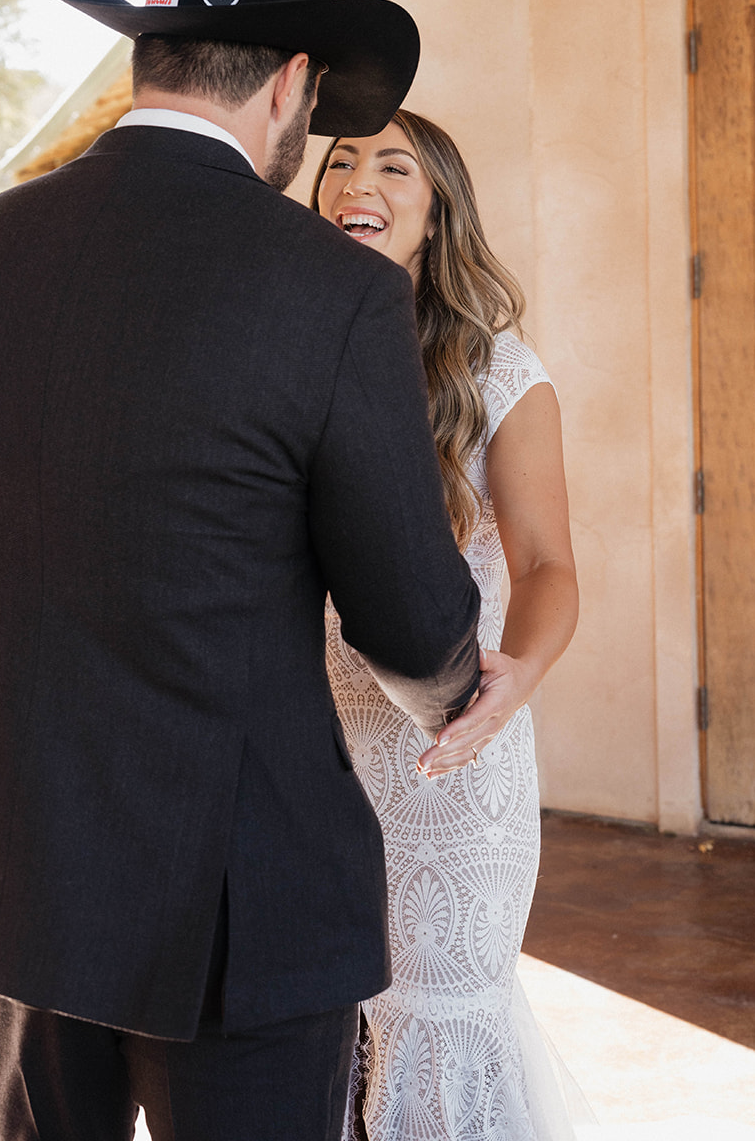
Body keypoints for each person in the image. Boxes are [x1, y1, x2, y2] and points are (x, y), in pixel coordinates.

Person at [0, 0, 482, 1141]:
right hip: (236, 889)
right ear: (291, 85)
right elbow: (410, 621)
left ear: (150, 57)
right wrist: (456, 692)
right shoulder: (332, 291)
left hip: (7, 867)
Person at [313, 110, 581, 1141]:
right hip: (308, 754)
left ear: (435, 215)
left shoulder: (497, 371)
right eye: (338, 160)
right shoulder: (281, 349)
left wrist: (519, 675)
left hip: (448, 768)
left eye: (392, 166)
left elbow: (550, 567)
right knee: (325, 1037)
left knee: (434, 1037)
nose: (356, 179)